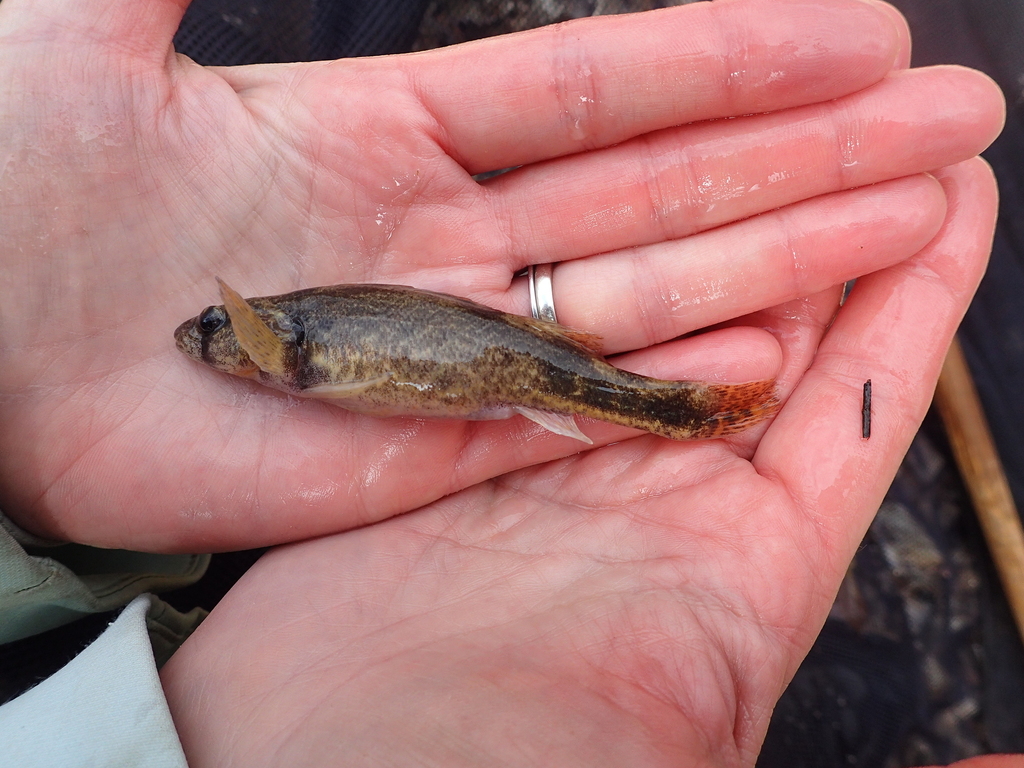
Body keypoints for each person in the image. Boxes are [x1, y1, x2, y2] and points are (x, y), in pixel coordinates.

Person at [0, 0, 1012, 764]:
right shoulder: (289, 348)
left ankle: (683, 417)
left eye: (217, 337)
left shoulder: (287, 347)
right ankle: (693, 423)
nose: (210, 345)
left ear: (257, 342)